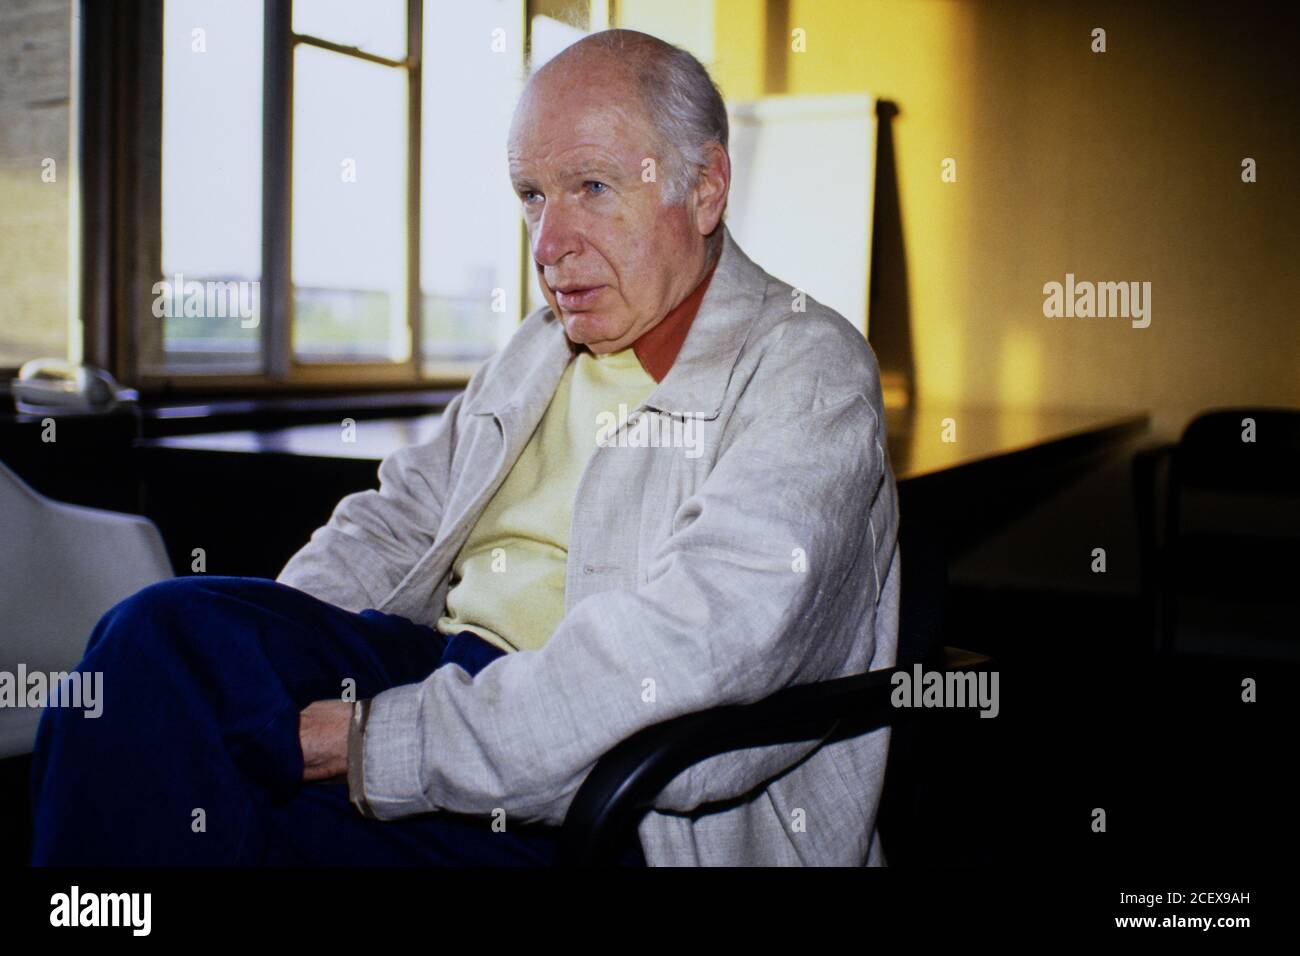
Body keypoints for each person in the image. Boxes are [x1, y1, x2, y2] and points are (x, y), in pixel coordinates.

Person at [30, 28, 900, 867]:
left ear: (705, 188)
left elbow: (693, 659)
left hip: (619, 797)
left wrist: (372, 744)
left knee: (205, 805)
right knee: (157, 642)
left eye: (592, 187)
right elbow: (396, 521)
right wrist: (275, 672)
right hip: (445, 679)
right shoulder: (539, 348)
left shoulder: (805, 371)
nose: (549, 247)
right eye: (531, 196)